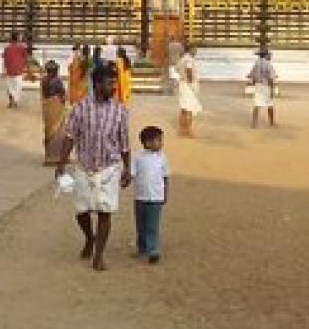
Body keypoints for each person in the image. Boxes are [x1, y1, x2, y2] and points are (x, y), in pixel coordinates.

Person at [55, 65, 131, 272]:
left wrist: (127, 168)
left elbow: (124, 143)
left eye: (114, 83)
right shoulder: (80, 108)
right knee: (82, 210)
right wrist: (61, 164)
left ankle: (99, 254)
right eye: (109, 83)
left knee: (105, 212)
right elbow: (70, 136)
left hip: (109, 167)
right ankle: (90, 237)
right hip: (84, 166)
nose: (114, 87)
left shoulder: (120, 111)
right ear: (97, 84)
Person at [132, 125, 170, 264]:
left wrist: (165, 193)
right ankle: (142, 247)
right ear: (147, 142)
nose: (160, 143)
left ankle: (153, 250)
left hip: (156, 197)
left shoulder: (162, 158)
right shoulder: (137, 157)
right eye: (157, 140)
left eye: (161, 140)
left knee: (152, 225)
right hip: (140, 196)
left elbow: (165, 177)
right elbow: (132, 173)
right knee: (141, 224)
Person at [41, 59, 67, 166]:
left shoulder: (44, 80)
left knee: (49, 131)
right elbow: (62, 93)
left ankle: (49, 157)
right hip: (56, 107)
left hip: (47, 107)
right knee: (58, 132)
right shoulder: (57, 80)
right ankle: (56, 157)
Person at [248, 49, 277, 128]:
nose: (270, 56)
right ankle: (271, 123)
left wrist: (254, 84)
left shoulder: (256, 64)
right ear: (266, 55)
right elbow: (271, 78)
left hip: (258, 85)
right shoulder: (268, 64)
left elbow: (252, 76)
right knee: (270, 105)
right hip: (266, 86)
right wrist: (272, 90)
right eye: (269, 55)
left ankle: (254, 123)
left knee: (257, 104)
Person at [177, 46, 202, 137]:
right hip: (188, 86)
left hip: (182, 84)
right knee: (190, 108)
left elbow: (178, 70)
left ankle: (181, 130)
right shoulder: (189, 60)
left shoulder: (182, 59)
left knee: (183, 108)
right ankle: (189, 131)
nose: (196, 51)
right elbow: (189, 70)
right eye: (195, 49)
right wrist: (191, 83)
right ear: (190, 50)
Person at [2, 31, 28, 108]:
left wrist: (4, 69)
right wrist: (26, 68)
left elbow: (4, 59)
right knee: (18, 87)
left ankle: (11, 101)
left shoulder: (7, 48)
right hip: (18, 70)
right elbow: (25, 58)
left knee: (10, 87)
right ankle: (15, 101)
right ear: (17, 37)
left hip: (9, 70)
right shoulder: (21, 47)